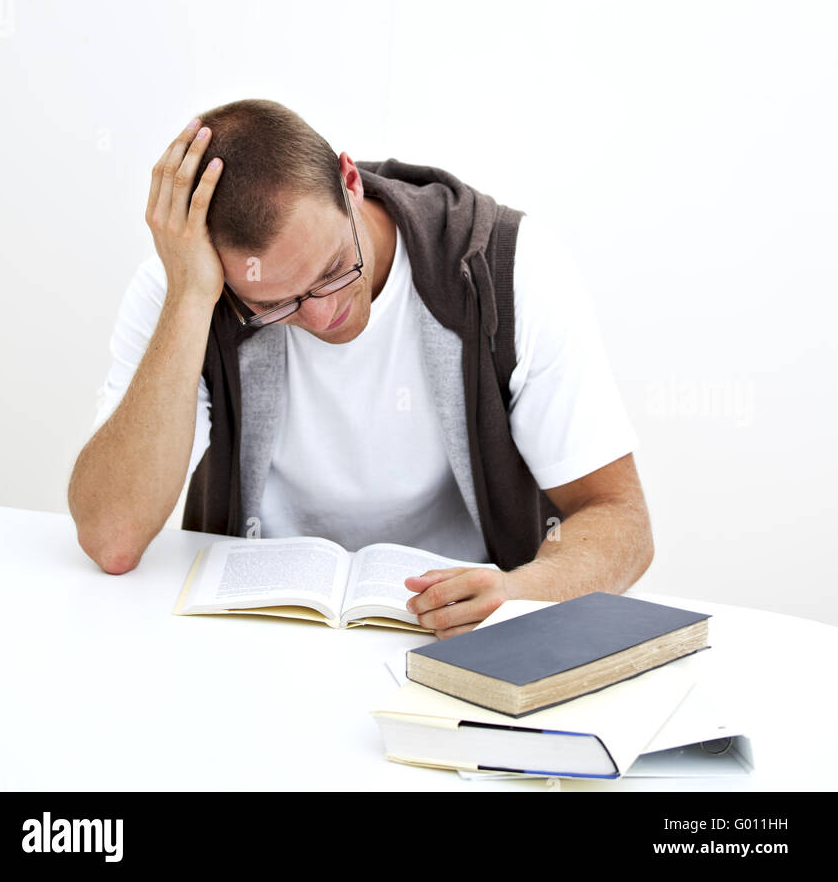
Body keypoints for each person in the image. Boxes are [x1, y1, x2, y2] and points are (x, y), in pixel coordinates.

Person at [68, 99, 653, 638]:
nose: (324, 316)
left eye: (332, 269)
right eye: (276, 305)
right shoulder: (183, 292)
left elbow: (620, 519)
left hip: (460, 641)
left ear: (350, 182)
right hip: (250, 634)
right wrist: (191, 301)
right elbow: (112, 539)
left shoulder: (508, 267)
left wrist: (521, 590)